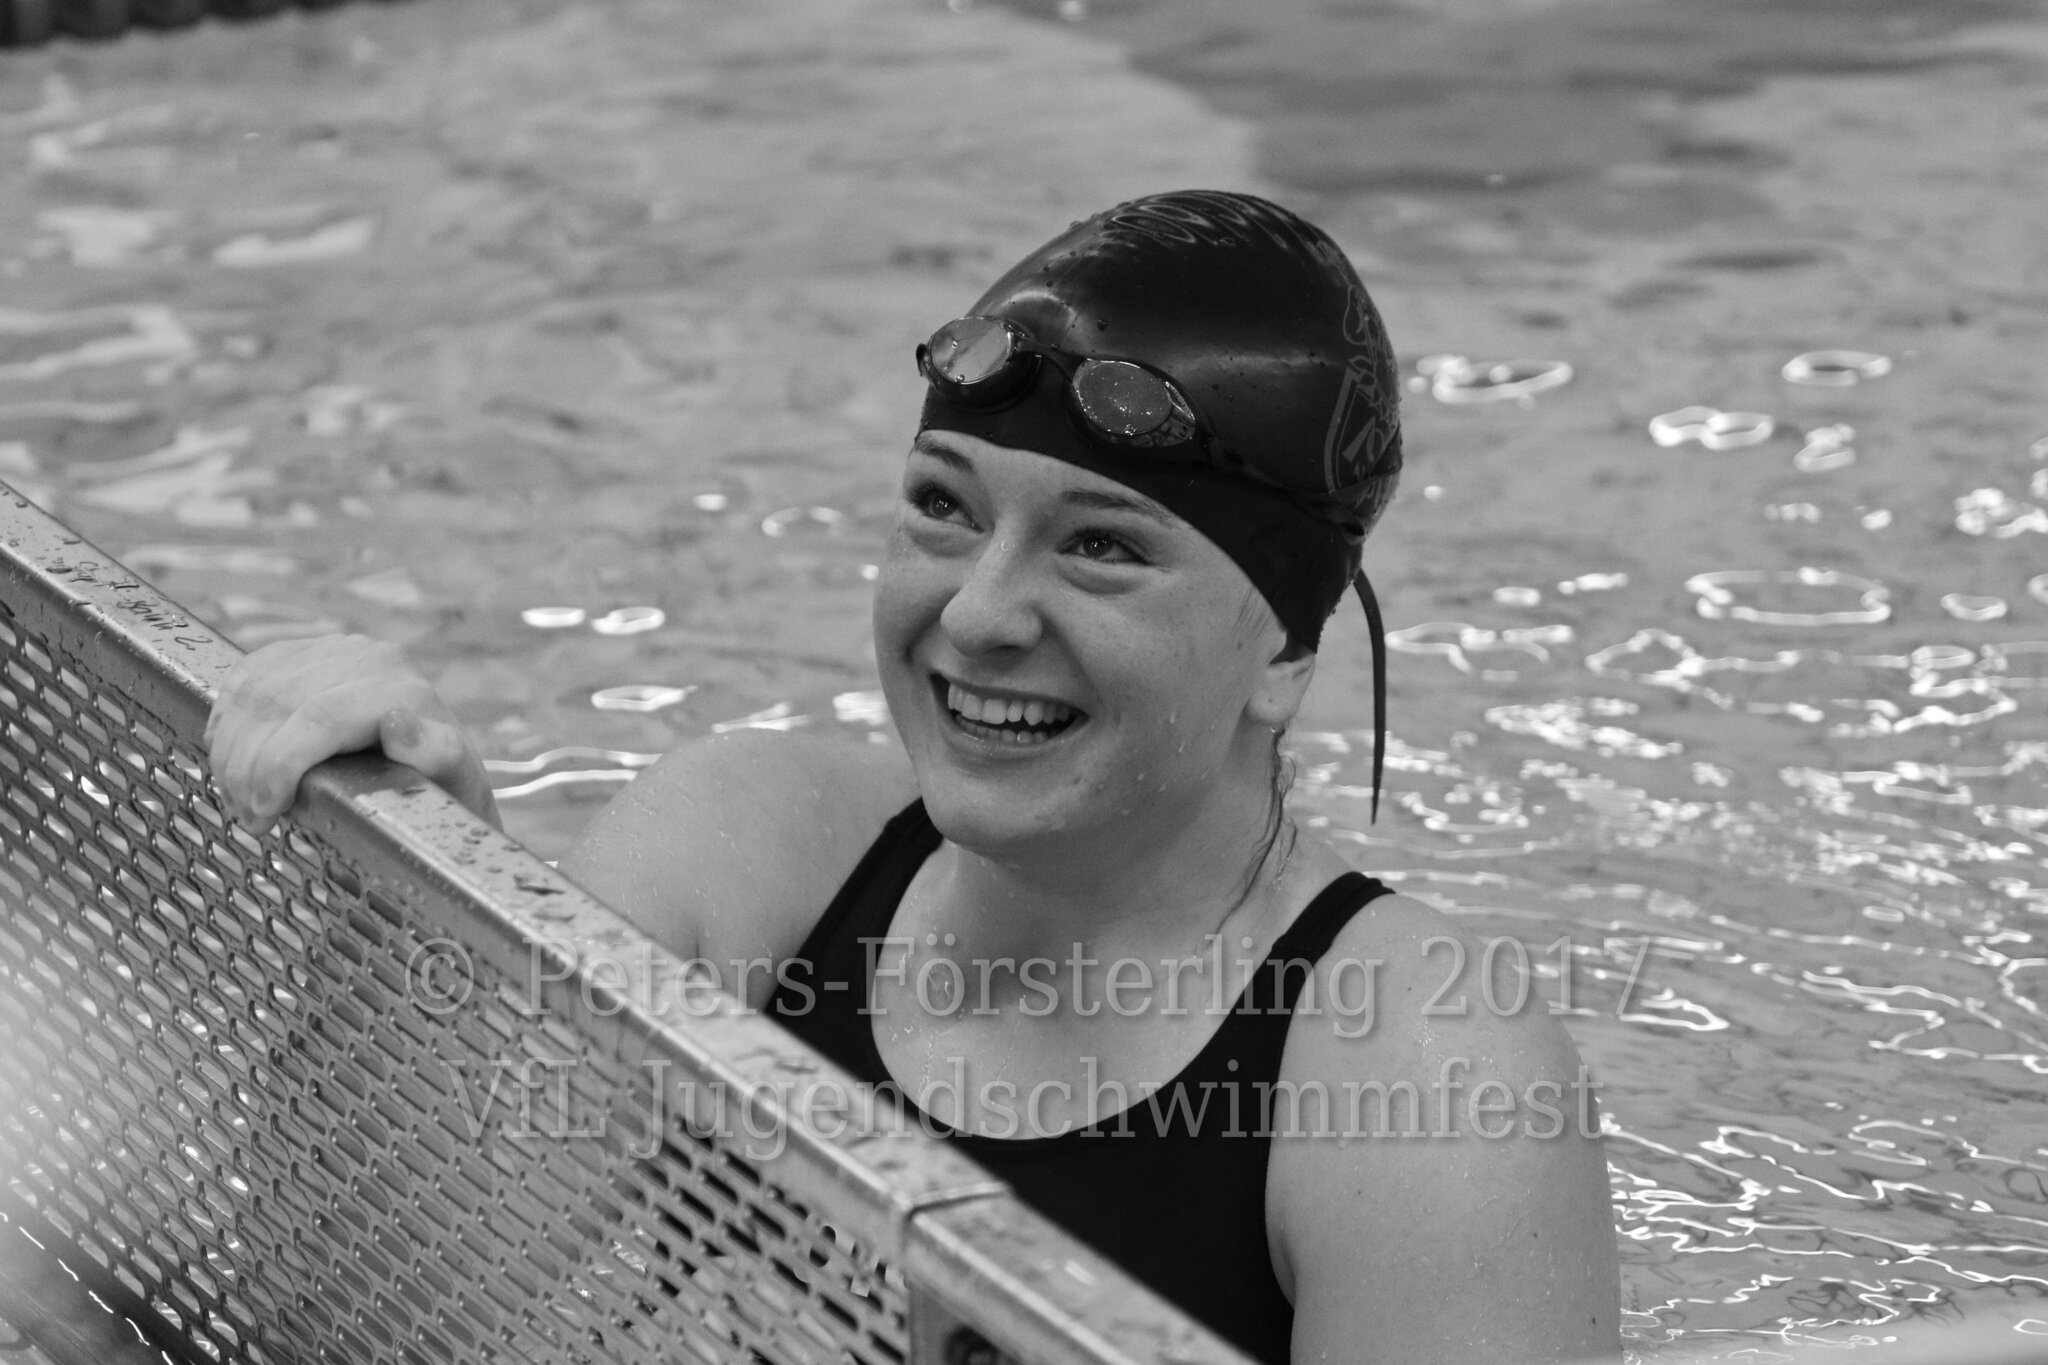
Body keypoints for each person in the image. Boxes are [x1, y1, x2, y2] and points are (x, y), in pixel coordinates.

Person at [206, 190, 1621, 1365]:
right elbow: (339, 1321)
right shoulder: (748, 856)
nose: (978, 614)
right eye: (945, 508)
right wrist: (408, 901)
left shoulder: (1423, 1070)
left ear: (1283, 654)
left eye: (1102, 546)